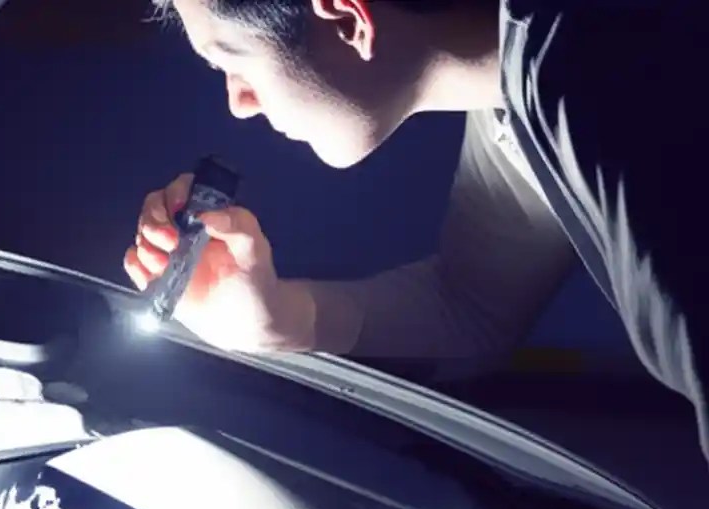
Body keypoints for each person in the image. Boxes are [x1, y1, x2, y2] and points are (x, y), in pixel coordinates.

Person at [122, 0, 709, 460]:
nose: (239, 103)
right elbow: (470, 307)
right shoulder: (519, 76)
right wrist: (282, 318)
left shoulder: (615, 82)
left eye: (233, 61)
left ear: (348, 19)